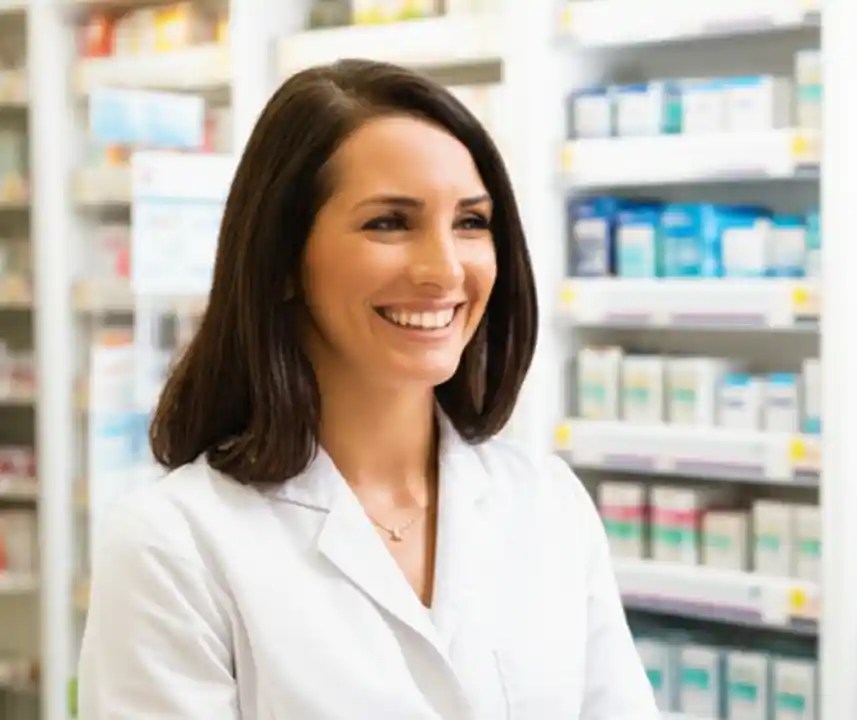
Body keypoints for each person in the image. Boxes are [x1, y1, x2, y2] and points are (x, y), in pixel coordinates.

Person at [77, 59, 658, 719]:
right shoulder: (174, 546)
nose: (445, 271)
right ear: (286, 260)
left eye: (470, 222)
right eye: (389, 222)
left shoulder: (547, 504)